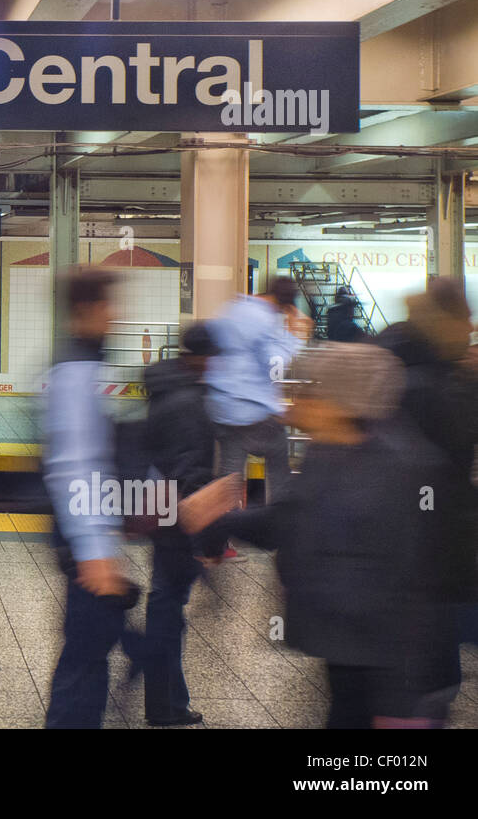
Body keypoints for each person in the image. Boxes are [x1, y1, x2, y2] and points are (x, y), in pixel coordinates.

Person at [188, 343, 454, 728]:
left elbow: (415, 593)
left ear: (340, 401)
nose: (294, 403)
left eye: (310, 389)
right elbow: (286, 522)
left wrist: (401, 701)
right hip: (345, 650)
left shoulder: (403, 471)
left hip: (389, 673)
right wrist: (221, 516)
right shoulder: (328, 451)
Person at [41, 270, 240, 728]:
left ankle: (153, 685)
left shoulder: (90, 366)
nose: (117, 314)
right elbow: (75, 466)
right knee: (86, 661)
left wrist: (160, 506)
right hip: (85, 548)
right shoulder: (75, 373)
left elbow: (116, 455)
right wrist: (93, 552)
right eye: (110, 305)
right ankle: (155, 690)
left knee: (91, 655)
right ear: (85, 310)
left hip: (92, 543)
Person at [377, 278, 478, 700]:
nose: (472, 327)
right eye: (465, 316)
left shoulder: (411, 371)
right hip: (428, 548)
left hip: (416, 551)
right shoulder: (432, 386)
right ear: (447, 321)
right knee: (428, 673)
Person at [132, 321, 225, 726]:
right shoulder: (189, 402)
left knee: (164, 604)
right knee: (169, 608)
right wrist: (206, 540)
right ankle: (166, 704)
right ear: (205, 359)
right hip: (178, 518)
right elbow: (192, 473)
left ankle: (165, 698)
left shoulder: (166, 388)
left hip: (160, 508)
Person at [204, 276, 311, 507]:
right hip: (251, 411)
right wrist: (295, 338)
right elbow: (275, 367)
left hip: (221, 405)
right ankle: (279, 524)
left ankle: (222, 531)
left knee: (229, 474)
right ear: (287, 306)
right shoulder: (266, 319)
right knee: (279, 464)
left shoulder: (235, 307)